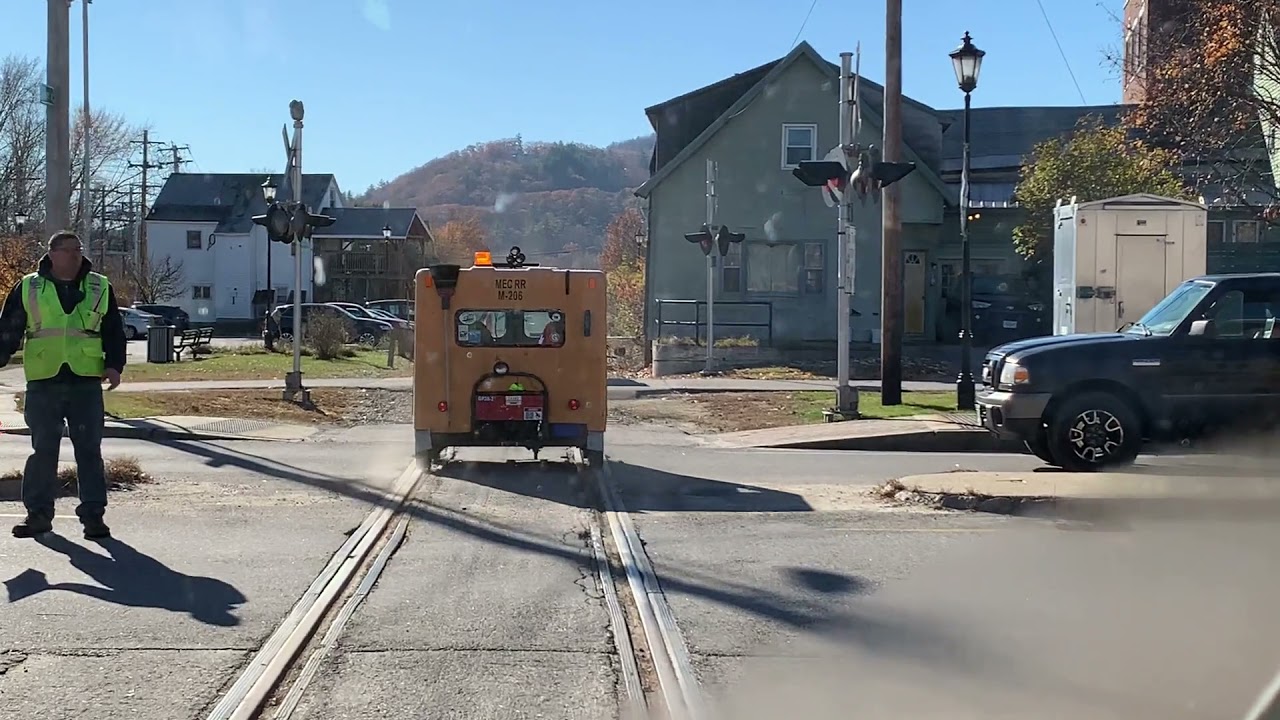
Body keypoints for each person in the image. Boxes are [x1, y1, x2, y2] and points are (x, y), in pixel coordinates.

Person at [0, 230, 126, 540]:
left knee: (89, 451)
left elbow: (113, 329)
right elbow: (9, 330)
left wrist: (114, 365)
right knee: (43, 451)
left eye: (78, 249)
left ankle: (93, 517)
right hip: (45, 381)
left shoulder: (99, 285)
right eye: (68, 250)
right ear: (52, 254)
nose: (75, 255)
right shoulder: (30, 286)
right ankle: (38, 515)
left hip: (85, 381)